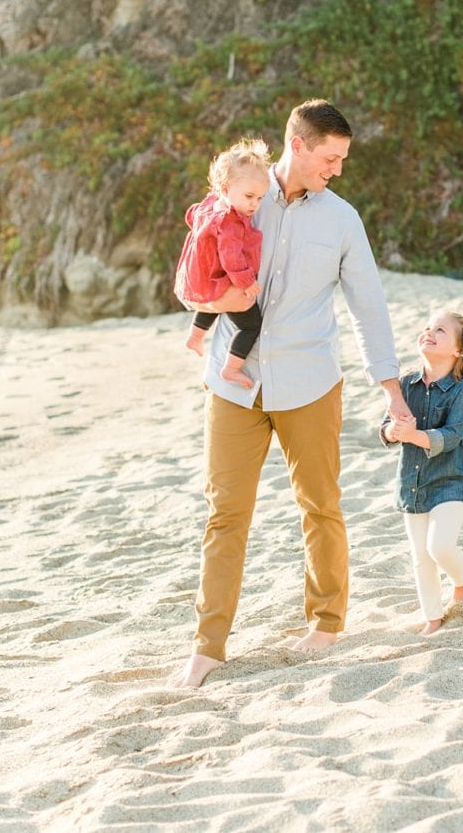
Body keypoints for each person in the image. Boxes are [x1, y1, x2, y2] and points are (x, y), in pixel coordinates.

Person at [169, 100, 411, 689]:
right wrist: (217, 308)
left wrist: (392, 392)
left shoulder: (342, 220)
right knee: (225, 514)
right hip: (233, 386)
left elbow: (368, 308)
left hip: (309, 383)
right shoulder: (240, 199)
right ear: (297, 146)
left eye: (343, 159)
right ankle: (208, 646)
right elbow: (190, 281)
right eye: (330, 157)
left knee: (320, 505)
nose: (337, 169)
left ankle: (326, 623)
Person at [379, 311, 463, 637]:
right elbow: (386, 428)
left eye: (440, 330)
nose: (429, 332)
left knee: (440, 546)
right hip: (413, 484)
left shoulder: (461, 392)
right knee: (421, 557)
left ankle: (462, 582)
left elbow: (453, 435)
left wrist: (417, 437)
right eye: (426, 327)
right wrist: (394, 432)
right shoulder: (404, 385)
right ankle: (433, 617)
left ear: (458, 351)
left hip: (450, 480)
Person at [177, 138, 272, 390]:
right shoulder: (230, 222)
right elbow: (232, 258)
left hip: (207, 276)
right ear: (226, 188)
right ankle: (231, 368)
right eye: (249, 196)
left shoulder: (211, 204)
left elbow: (191, 214)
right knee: (251, 325)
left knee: (212, 300)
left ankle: (195, 336)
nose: (255, 204)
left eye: (260, 198)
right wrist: (247, 282)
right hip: (227, 278)